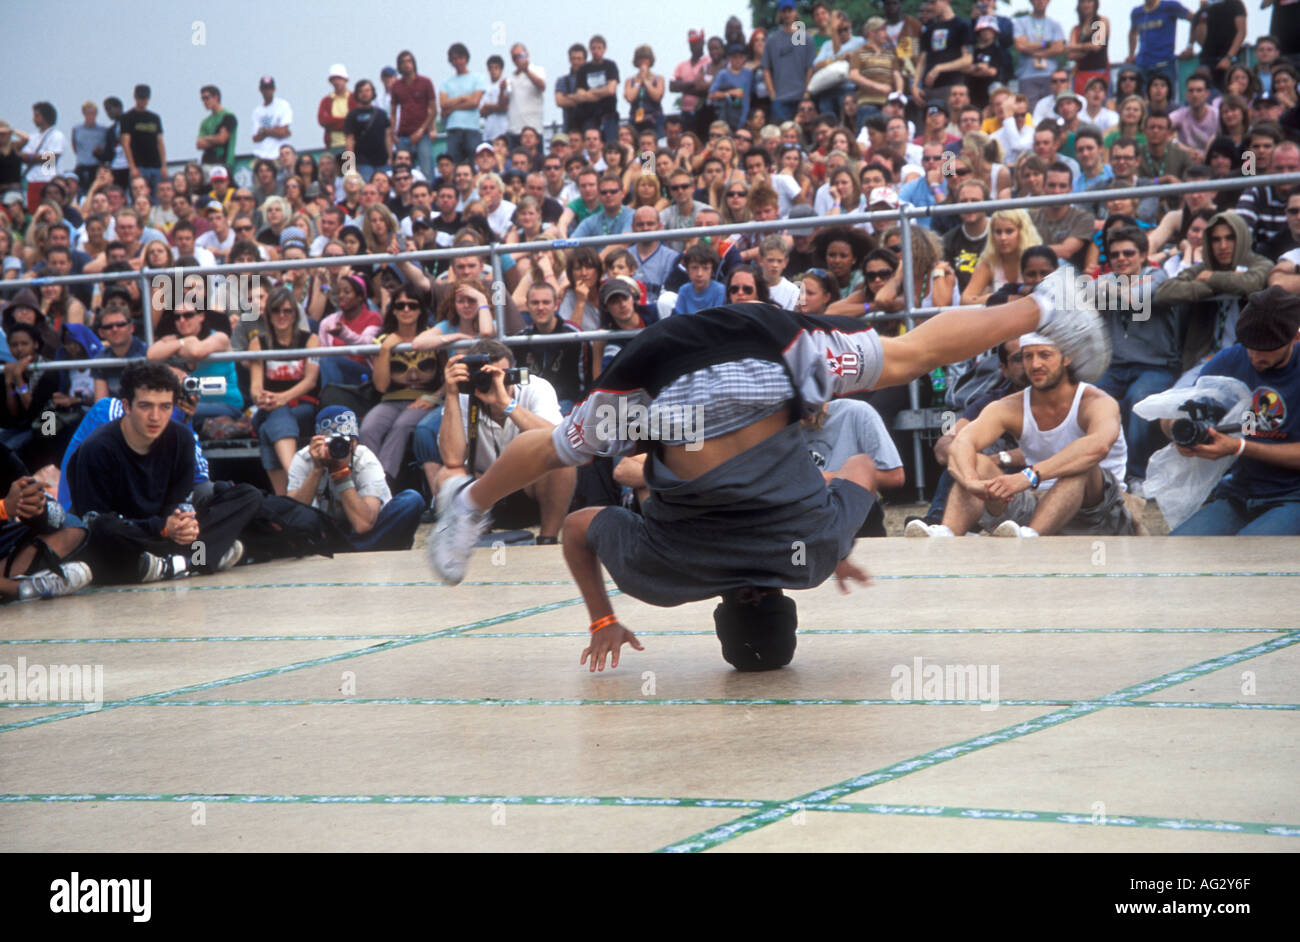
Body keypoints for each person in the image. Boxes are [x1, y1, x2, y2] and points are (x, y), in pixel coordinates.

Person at [427, 268, 1109, 671]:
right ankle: (468, 502)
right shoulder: (663, 582)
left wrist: (830, 537)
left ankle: (1045, 305)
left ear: (780, 605)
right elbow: (577, 527)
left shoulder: (806, 558)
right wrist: (603, 620)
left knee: (906, 356)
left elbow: (863, 469)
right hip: (663, 383)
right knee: (555, 445)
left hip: (768, 351)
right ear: (725, 617)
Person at [914, 331, 1132, 538]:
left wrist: (1027, 476)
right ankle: (946, 535)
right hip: (1036, 504)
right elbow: (962, 442)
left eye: (1045, 355)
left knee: (1080, 464)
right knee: (976, 462)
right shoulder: (1009, 405)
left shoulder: (1097, 402)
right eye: (1027, 356)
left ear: (1067, 358)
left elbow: (1098, 447)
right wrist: (971, 481)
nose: (1035, 364)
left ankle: (1031, 538)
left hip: (1097, 509)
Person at [67, 362, 260, 583]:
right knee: (103, 531)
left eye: (165, 407)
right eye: (145, 406)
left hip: (162, 530)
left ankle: (172, 563)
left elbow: (178, 499)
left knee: (247, 496)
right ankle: (195, 559)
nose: (155, 417)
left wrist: (183, 522)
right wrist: (163, 529)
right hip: (127, 532)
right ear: (127, 406)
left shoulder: (180, 438)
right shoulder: (97, 448)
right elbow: (93, 520)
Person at [1165, 286, 1300, 535]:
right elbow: (1173, 409)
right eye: (1250, 345)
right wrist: (1179, 430)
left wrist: (1239, 447)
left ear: (1295, 337)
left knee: (1243, 561)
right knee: (1175, 553)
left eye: (1267, 347)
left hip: (1293, 495)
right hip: (1239, 491)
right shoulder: (1232, 358)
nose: (1255, 355)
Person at [436, 340, 574, 545]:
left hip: (530, 486)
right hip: (484, 490)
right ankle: (475, 540)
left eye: (502, 376)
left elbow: (558, 440)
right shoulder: (464, 396)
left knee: (562, 462)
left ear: (514, 372)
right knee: (448, 475)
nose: (497, 382)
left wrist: (507, 405)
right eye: (488, 376)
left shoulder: (536, 387)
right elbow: (452, 458)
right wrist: (452, 394)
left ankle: (548, 539)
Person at [287, 406, 424, 551]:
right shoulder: (304, 458)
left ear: (354, 443)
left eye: (344, 442)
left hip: (366, 529)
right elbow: (293, 516)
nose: (338, 448)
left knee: (411, 500)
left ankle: (345, 549)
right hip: (331, 531)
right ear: (319, 442)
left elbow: (363, 525)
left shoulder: (365, 459)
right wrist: (316, 469)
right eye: (331, 442)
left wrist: (339, 472)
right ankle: (361, 547)